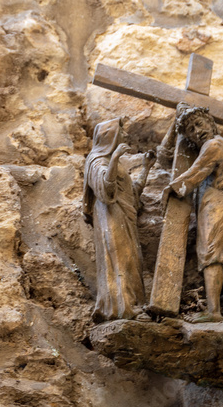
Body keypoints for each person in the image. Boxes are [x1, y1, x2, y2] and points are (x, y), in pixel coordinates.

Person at [165, 105, 223, 322]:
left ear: (210, 122)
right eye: (190, 130)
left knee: (211, 254)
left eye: (199, 124)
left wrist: (172, 187)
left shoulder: (214, 145)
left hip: (217, 207)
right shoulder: (220, 144)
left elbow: (196, 172)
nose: (197, 131)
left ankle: (214, 311)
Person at [83, 118, 150, 322]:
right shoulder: (96, 161)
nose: (126, 136)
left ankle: (133, 303)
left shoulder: (114, 162)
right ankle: (124, 307)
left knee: (131, 260)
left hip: (125, 217)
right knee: (119, 260)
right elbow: (105, 190)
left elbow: (132, 194)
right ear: (110, 136)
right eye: (122, 132)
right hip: (110, 217)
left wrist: (146, 168)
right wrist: (114, 159)